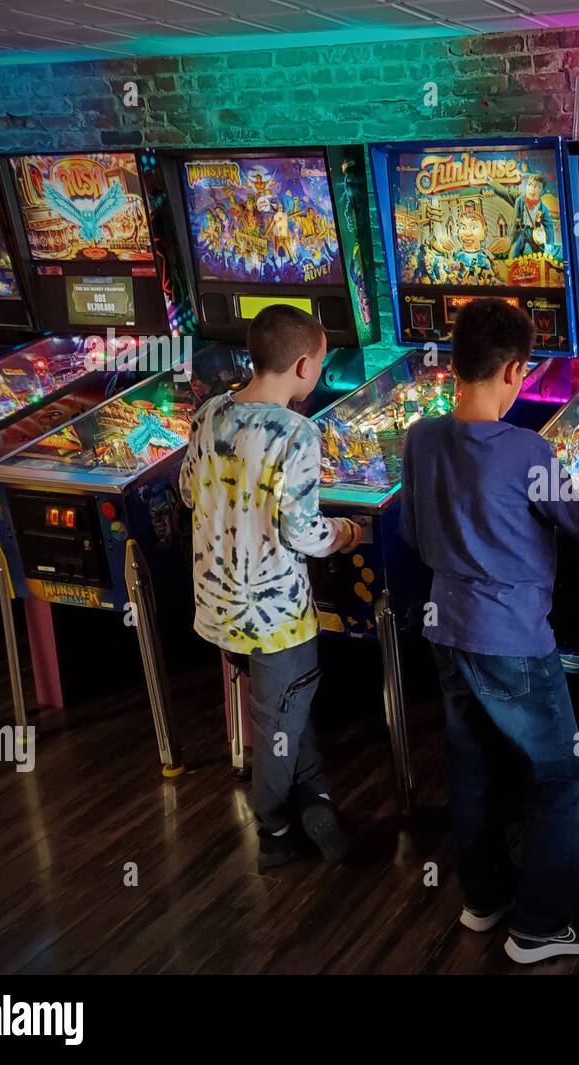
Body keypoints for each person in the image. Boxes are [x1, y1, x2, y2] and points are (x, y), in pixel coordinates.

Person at [400, 298, 579, 964]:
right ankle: (543, 924)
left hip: (444, 627)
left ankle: (485, 898)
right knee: (557, 772)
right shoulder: (528, 448)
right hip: (511, 640)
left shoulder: (420, 436)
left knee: (472, 764)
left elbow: (415, 533)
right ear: (514, 370)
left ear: (454, 363)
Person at [178, 304, 362, 873]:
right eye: (321, 365)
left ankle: (316, 798)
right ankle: (275, 828)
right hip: (274, 612)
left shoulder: (210, 412)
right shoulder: (297, 433)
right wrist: (347, 533)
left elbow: (188, 491)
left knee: (285, 704)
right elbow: (302, 532)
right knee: (279, 717)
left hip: (216, 605)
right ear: (304, 365)